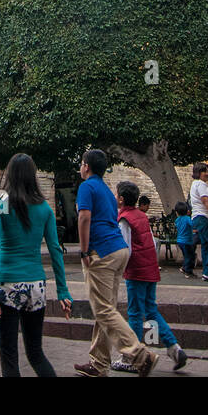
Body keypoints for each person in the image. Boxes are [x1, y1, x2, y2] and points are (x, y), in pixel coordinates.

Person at [0, 153, 72, 377]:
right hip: (36, 286)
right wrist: (63, 291)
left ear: (10, 174)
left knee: (9, 356)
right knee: (36, 353)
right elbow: (55, 251)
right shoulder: (43, 208)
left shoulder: (0, 202)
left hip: (7, 285)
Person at [74, 149, 158, 377]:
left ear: (87, 167)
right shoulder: (107, 191)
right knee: (107, 309)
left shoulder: (86, 187)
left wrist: (83, 252)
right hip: (119, 250)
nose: (80, 167)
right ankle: (99, 364)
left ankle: (140, 355)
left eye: (82, 163)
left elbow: (84, 217)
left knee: (102, 310)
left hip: (101, 252)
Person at [112, 182, 186, 372]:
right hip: (150, 269)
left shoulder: (124, 219)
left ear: (121, 199)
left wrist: (119, 269)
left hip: (136, 271)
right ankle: (174, 348)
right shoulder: (141, 216)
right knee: (151, 310)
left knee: (135, 313)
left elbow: (125, 248)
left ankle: (132, 356)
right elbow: (152, 242)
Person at [174, 201, 197, 277]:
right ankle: (187, 270)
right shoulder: (187, 219)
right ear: (187, 211)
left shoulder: (177, 220)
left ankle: (185, 267)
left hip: (180, 241)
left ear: (177, 212)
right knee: (190, 256)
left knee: (186, 255)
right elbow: (193, 225)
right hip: (187, 241)